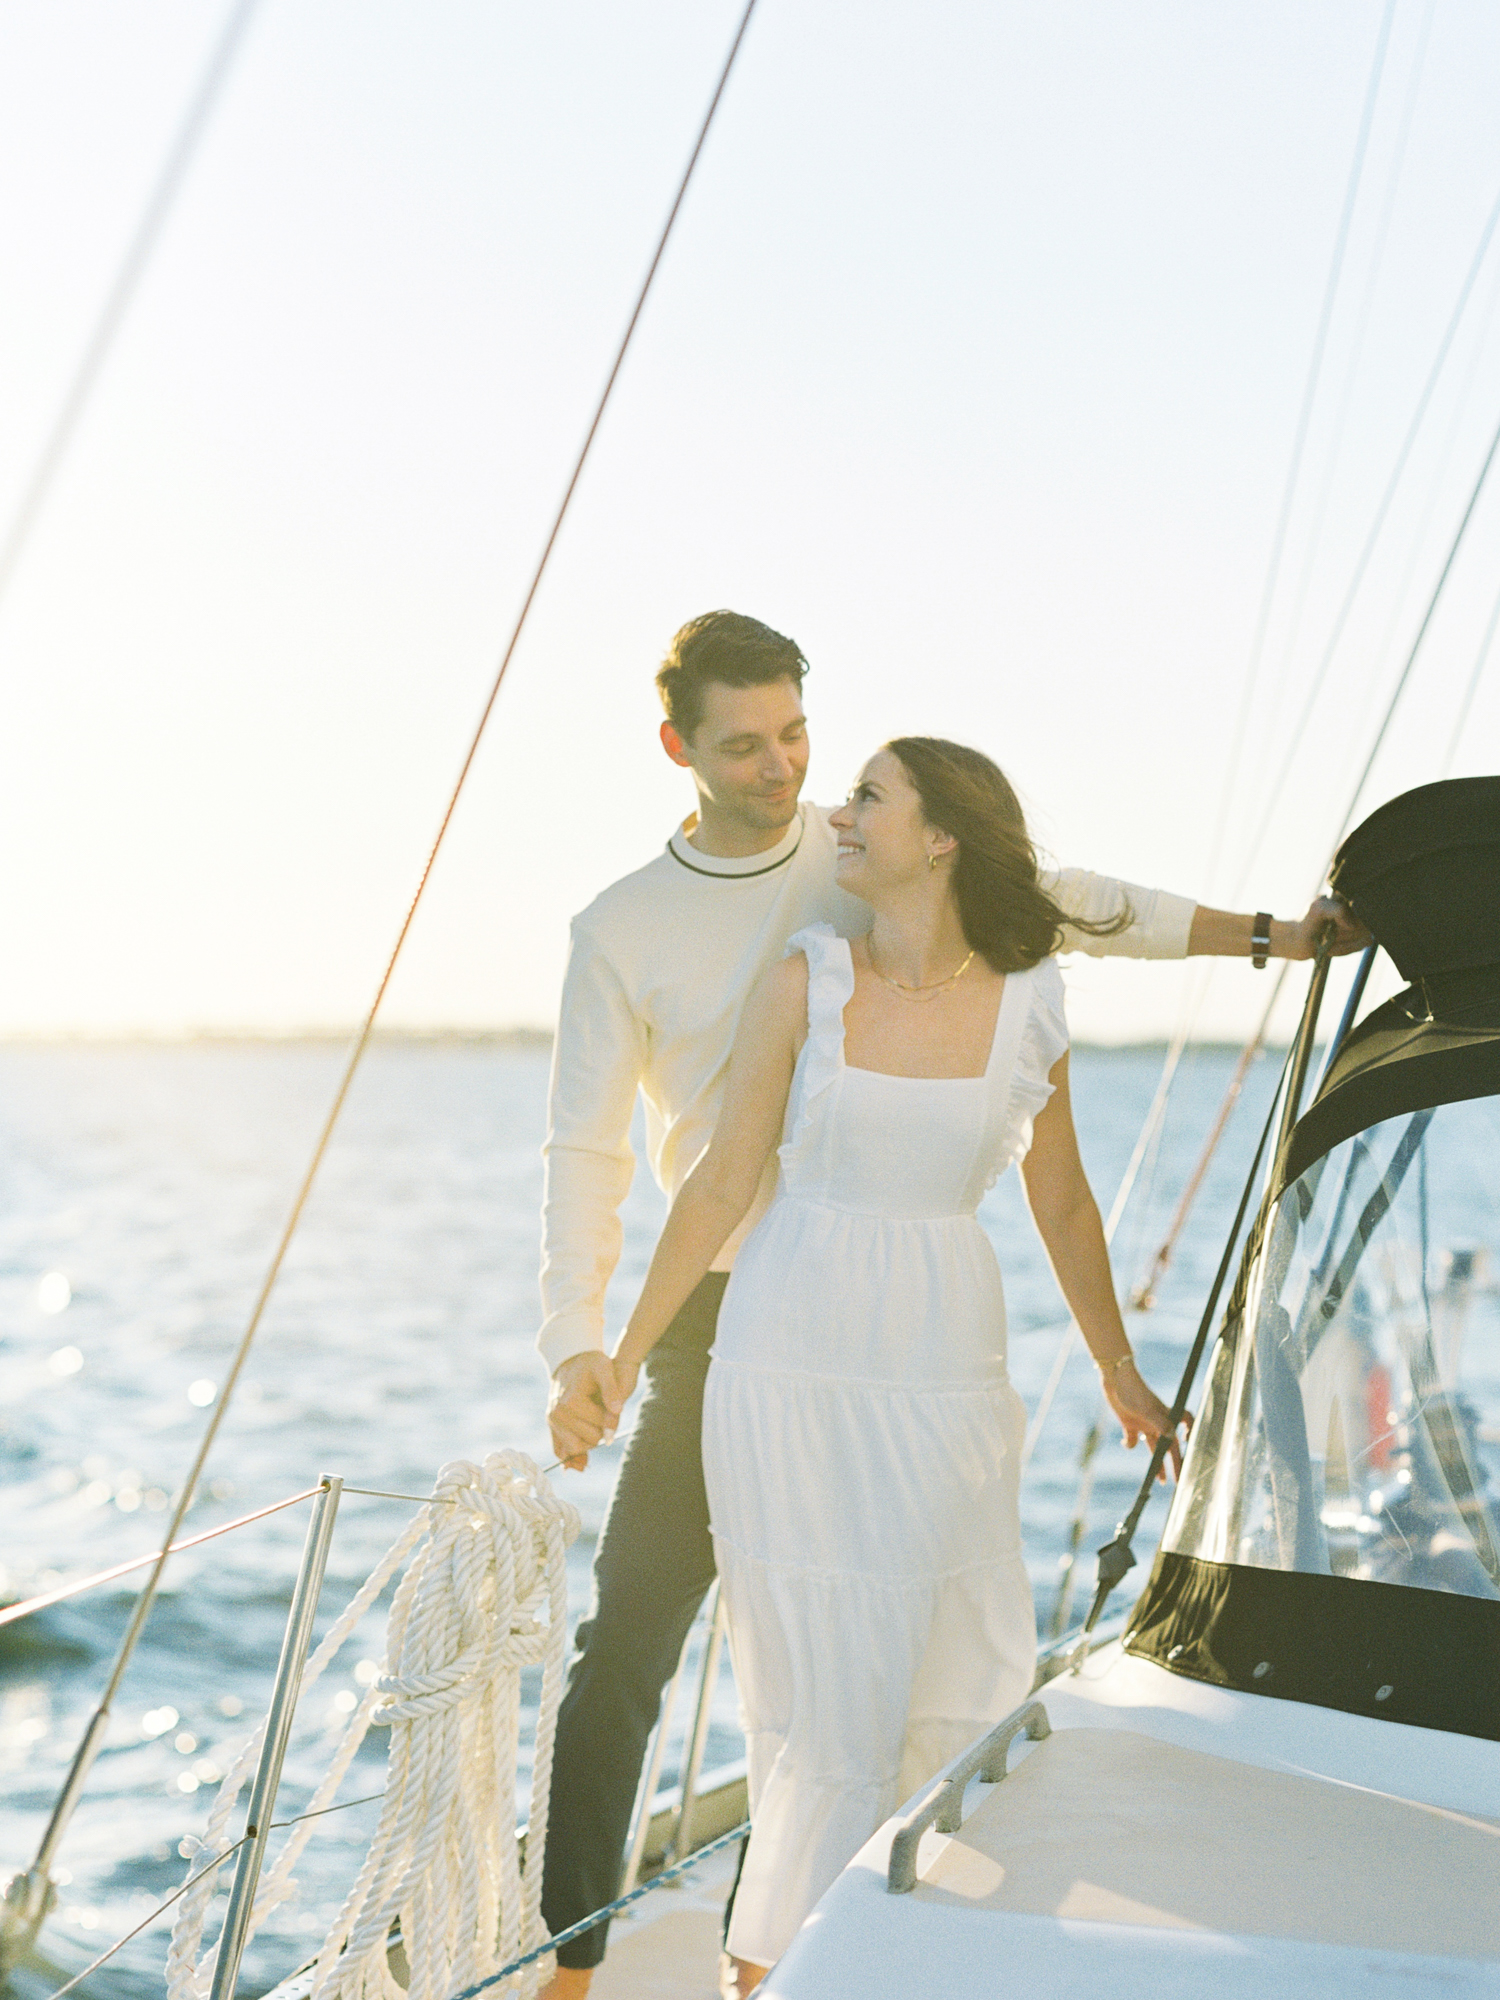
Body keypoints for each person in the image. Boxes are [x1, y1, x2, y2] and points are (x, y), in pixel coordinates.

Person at [536, 610, 1364, 1998]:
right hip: (728, 1314)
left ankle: (800, 1945)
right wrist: (585, 1348)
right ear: (678, 748)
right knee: (633, 1637)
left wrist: (1273, 938)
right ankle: (574, 1962)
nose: (787, 772)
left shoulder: (855, 855)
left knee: (873, 1649)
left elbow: (1068, 901)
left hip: (909, 1328)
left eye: (800, 736)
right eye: (747, 747)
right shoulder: (623, 927)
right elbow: (589, 1154)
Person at [609, 736, 1185, 1984]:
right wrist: (621, 1354)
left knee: (942, 1654)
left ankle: (891, 1950)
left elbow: (1064, 1199)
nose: (841, 812)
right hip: (788, 1354)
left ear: (940, 837)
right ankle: (782, 1962)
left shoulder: (1031, 1000)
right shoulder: (806, 982)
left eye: (870, 795)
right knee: (825, 1683)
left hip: (942, 1355)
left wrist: (1116, 1366)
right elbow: (722, 1182)